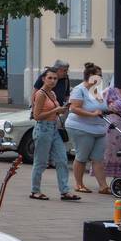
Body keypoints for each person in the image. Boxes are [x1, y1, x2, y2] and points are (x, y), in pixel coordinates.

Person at [31, 68, 79, 201]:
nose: (53, 81)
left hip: (54, 128)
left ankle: (65, 191)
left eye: (55, 78)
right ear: (43, 79)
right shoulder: (40, 94)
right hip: (43, 129)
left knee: (62, 160)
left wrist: (61, 110)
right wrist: (56, 110)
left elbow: (55, 112)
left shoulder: (52, 93)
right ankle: (35, 190)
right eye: (50, 78)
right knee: (41, 162)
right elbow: (36, 116)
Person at [66, 64, 110, 194]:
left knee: (98, 158)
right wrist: (92, 114)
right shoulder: (79, 90)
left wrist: (108, 110)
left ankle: (103, 186)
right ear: (90, 76)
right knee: (82, 156)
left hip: (99, 128)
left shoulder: (96, 90)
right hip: (81, 128)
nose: (101, 78)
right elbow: (74, 108)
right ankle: (79, 184)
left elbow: (101, 107)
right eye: (99, 75)